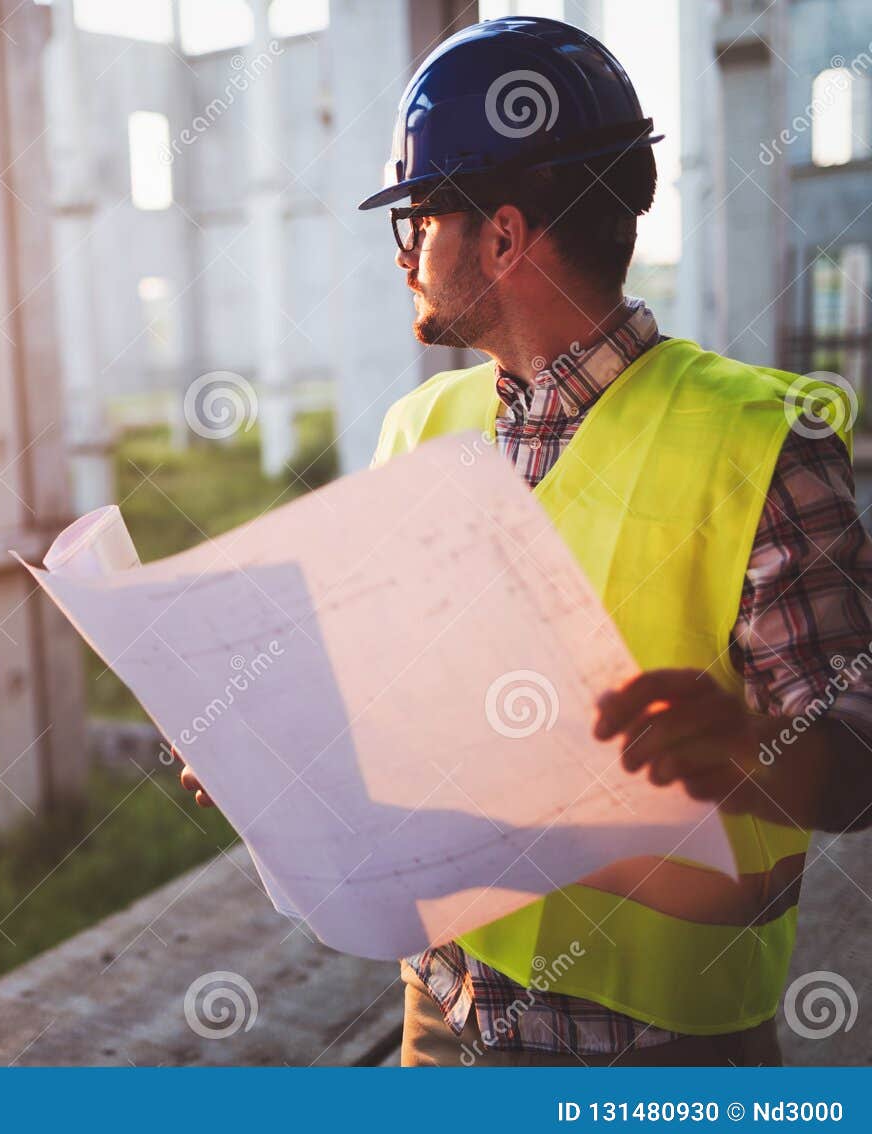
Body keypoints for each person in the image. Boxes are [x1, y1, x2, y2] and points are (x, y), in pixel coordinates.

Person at [180, 15, 872, 1066]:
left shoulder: (762, 440)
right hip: (439, 1015)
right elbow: (387, 709)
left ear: (502, 237)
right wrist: (269, 744)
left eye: (418, 215)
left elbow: (857, 756)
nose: (405, 249)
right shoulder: (420, 430)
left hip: (653, 1056)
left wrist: (759, 753)